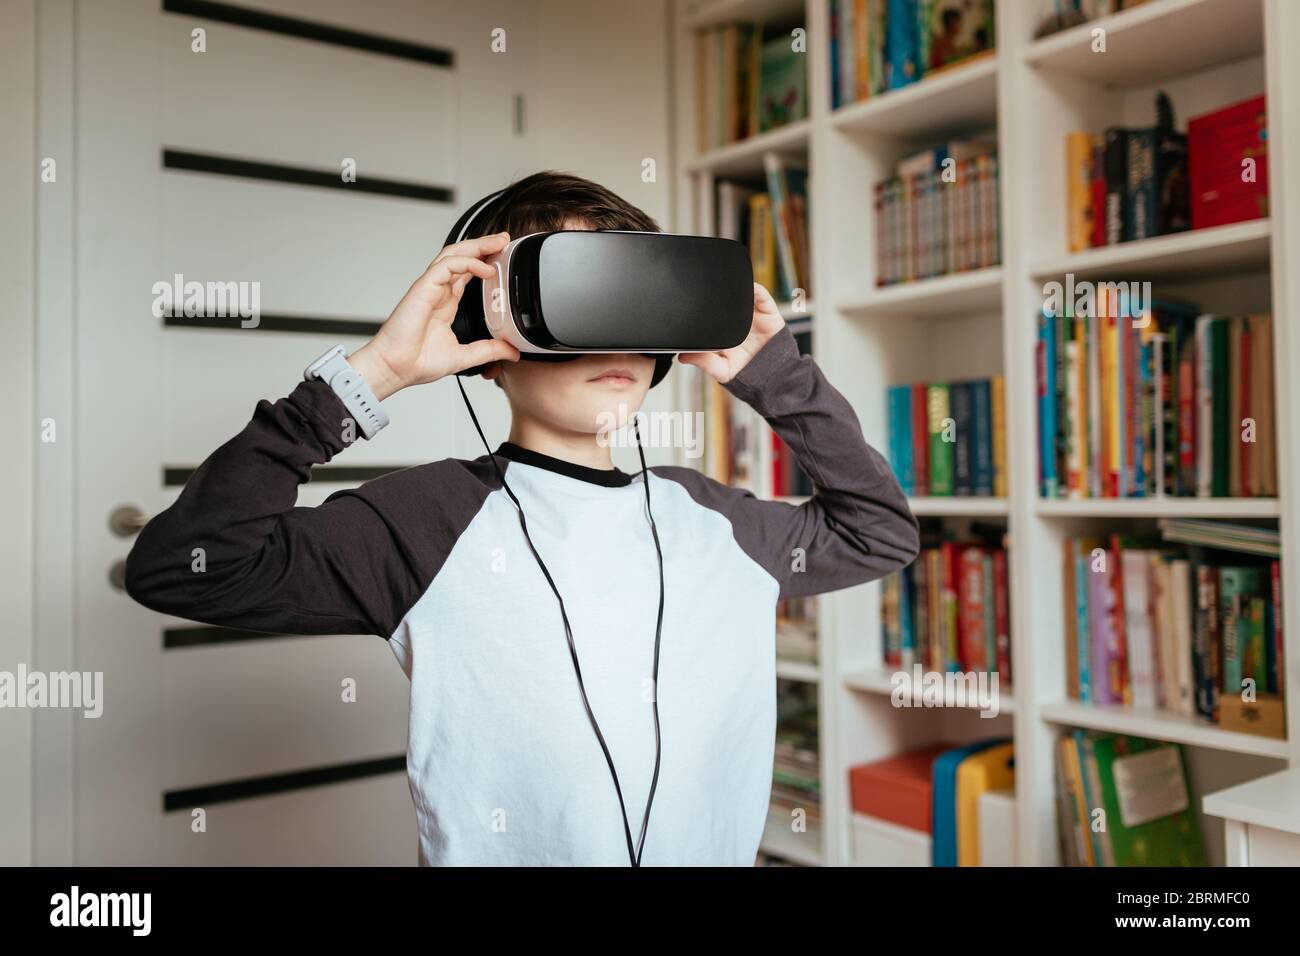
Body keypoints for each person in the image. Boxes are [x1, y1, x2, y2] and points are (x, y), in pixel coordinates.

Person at [125, 171, 919, 866]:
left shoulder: (714, 521)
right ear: (487, 339)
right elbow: (185, 564)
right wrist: (376, 375)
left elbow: (878, 531)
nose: (616, 339)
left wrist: (777, 375)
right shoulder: (426, 523)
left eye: (632, 298)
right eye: (578, 299)